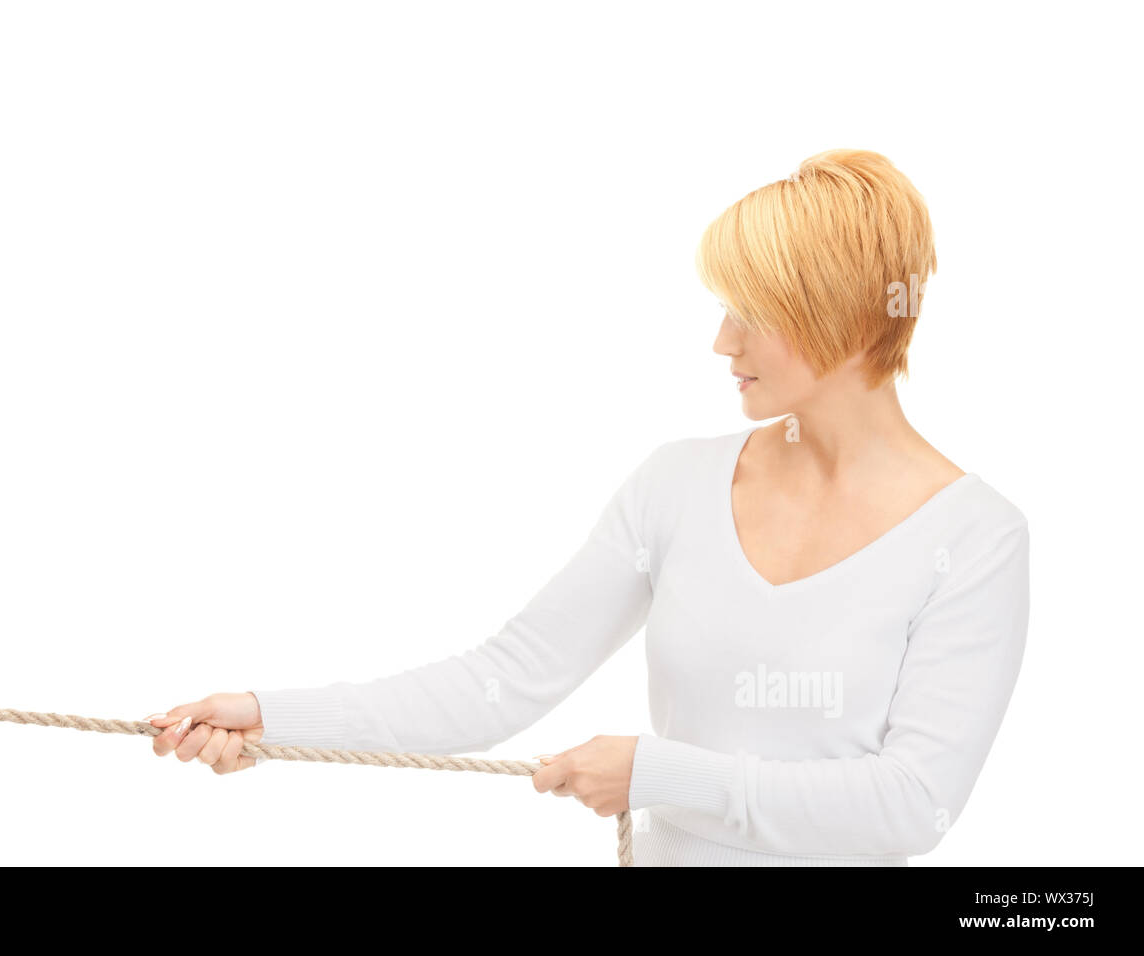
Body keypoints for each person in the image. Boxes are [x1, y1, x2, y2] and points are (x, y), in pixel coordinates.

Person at [146, 149, 1029, 866]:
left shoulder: (974, 538)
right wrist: (275, 719)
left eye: (749, 312)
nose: (721, 341)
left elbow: (913, 804)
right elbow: (503, 677)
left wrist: (662, 775)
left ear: (834, 313)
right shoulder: (676, 485)